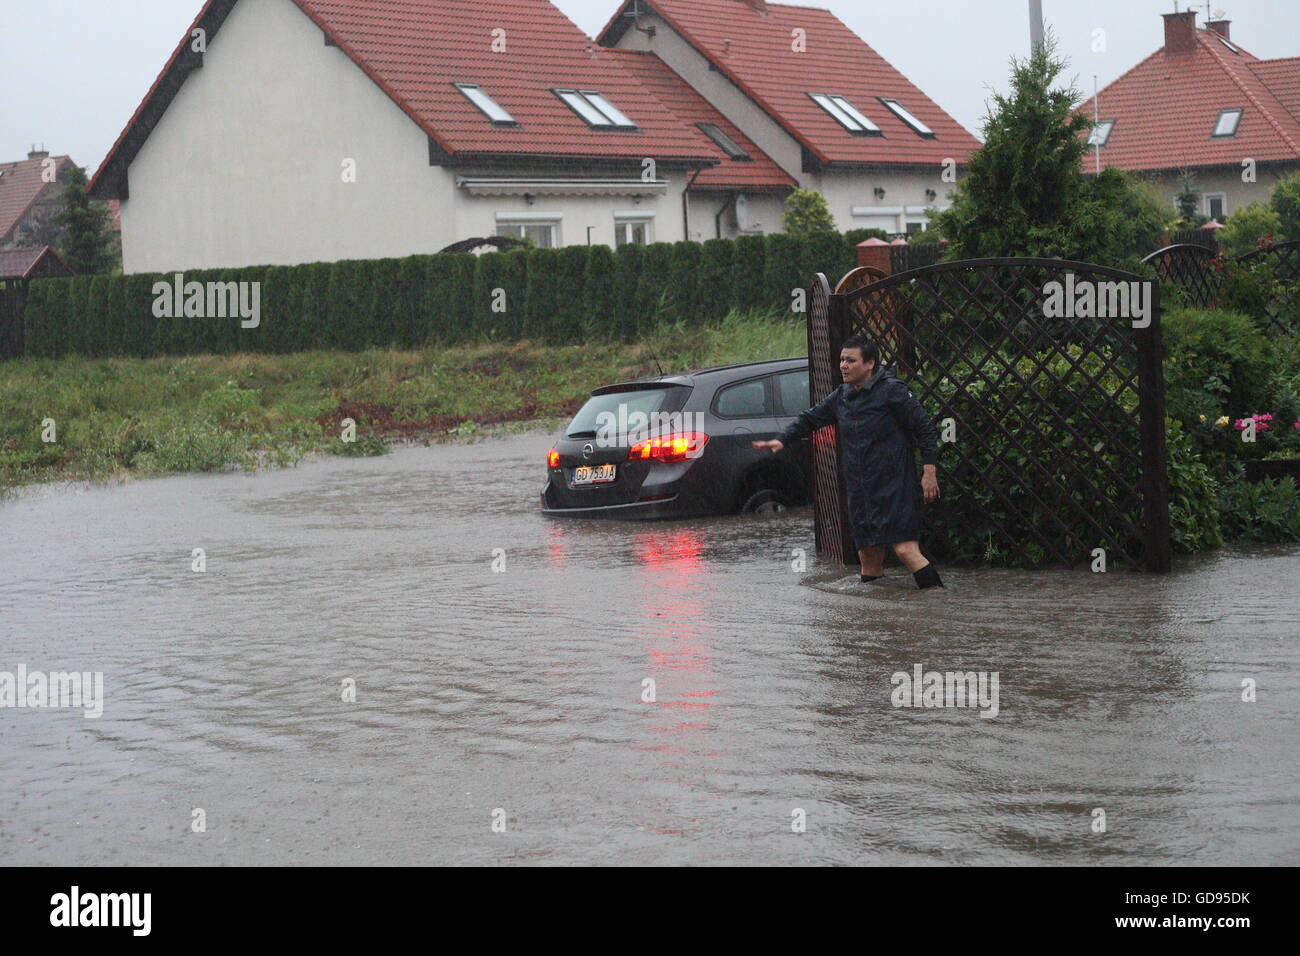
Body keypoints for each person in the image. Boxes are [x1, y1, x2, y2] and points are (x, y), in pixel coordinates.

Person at [753, 335, 944, 589]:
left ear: (870, 364)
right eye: (842, 359)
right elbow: (809, 419)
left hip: (895, 486)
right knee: (868, 556)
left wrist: (929, 471)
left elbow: (925, 429)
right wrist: (782, 440)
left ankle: (936, 605)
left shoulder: (892, 391)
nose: (843, 365)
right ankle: (874, 617)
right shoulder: (841, 396)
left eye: (851, 360)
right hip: (861, 489)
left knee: (906, 550)